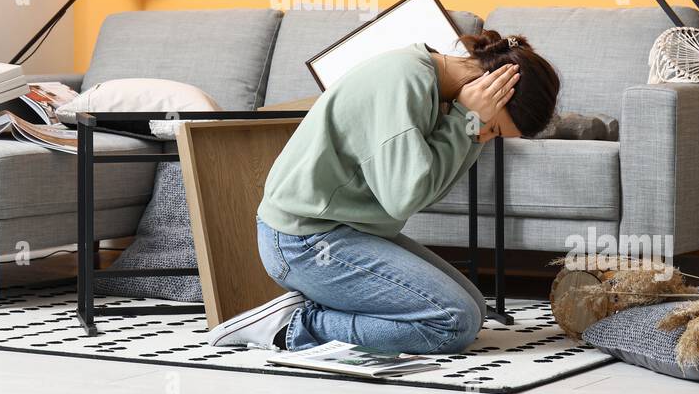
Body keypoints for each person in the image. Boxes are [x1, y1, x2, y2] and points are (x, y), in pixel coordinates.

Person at [210, 30, 560, 355]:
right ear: (491, 88)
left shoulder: (443, 95)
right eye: (495, 128)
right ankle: (293, 327)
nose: (486, 137)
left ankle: (324, 306)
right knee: (453, 323)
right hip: (300, 241)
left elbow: (428, 192)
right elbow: (403, 198)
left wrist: (467, 126)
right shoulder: (405, 81)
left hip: (343, 232)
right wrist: (465, 120)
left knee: (473, 307)